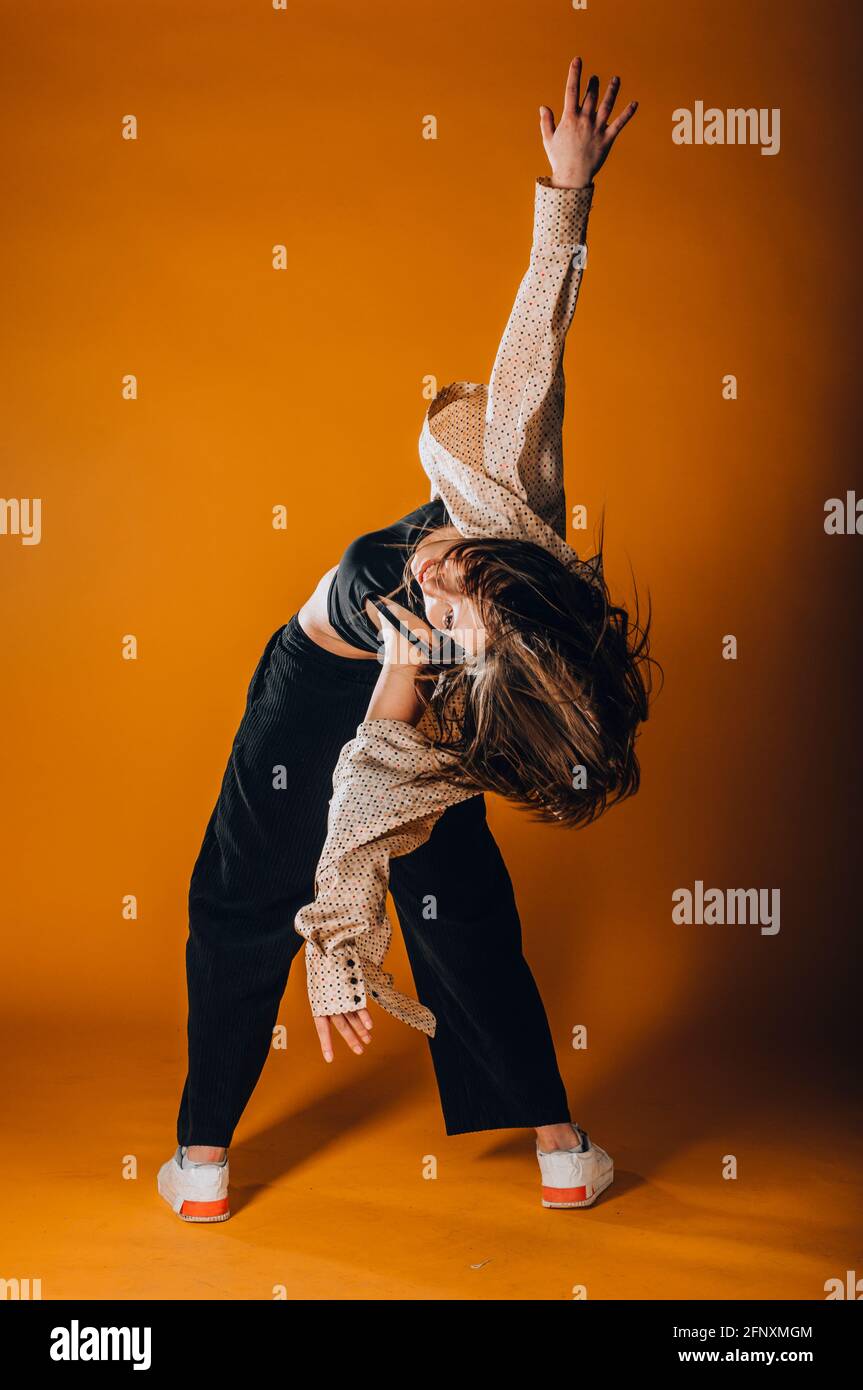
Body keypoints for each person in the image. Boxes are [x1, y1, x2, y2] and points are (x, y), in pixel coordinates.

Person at [158, 57, 654, 1224]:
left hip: (334, 697)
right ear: (518, 584)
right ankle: (212, 1154)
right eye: (459, 587)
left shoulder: (431, 692)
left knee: (366, 906)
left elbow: (353, 815)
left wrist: (336, 956)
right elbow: (536, 346)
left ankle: (552, 1142)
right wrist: (566, 192)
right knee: (337, 899)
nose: (431, 584)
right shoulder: (513, 517)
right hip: (350, 696)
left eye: (442, 622)